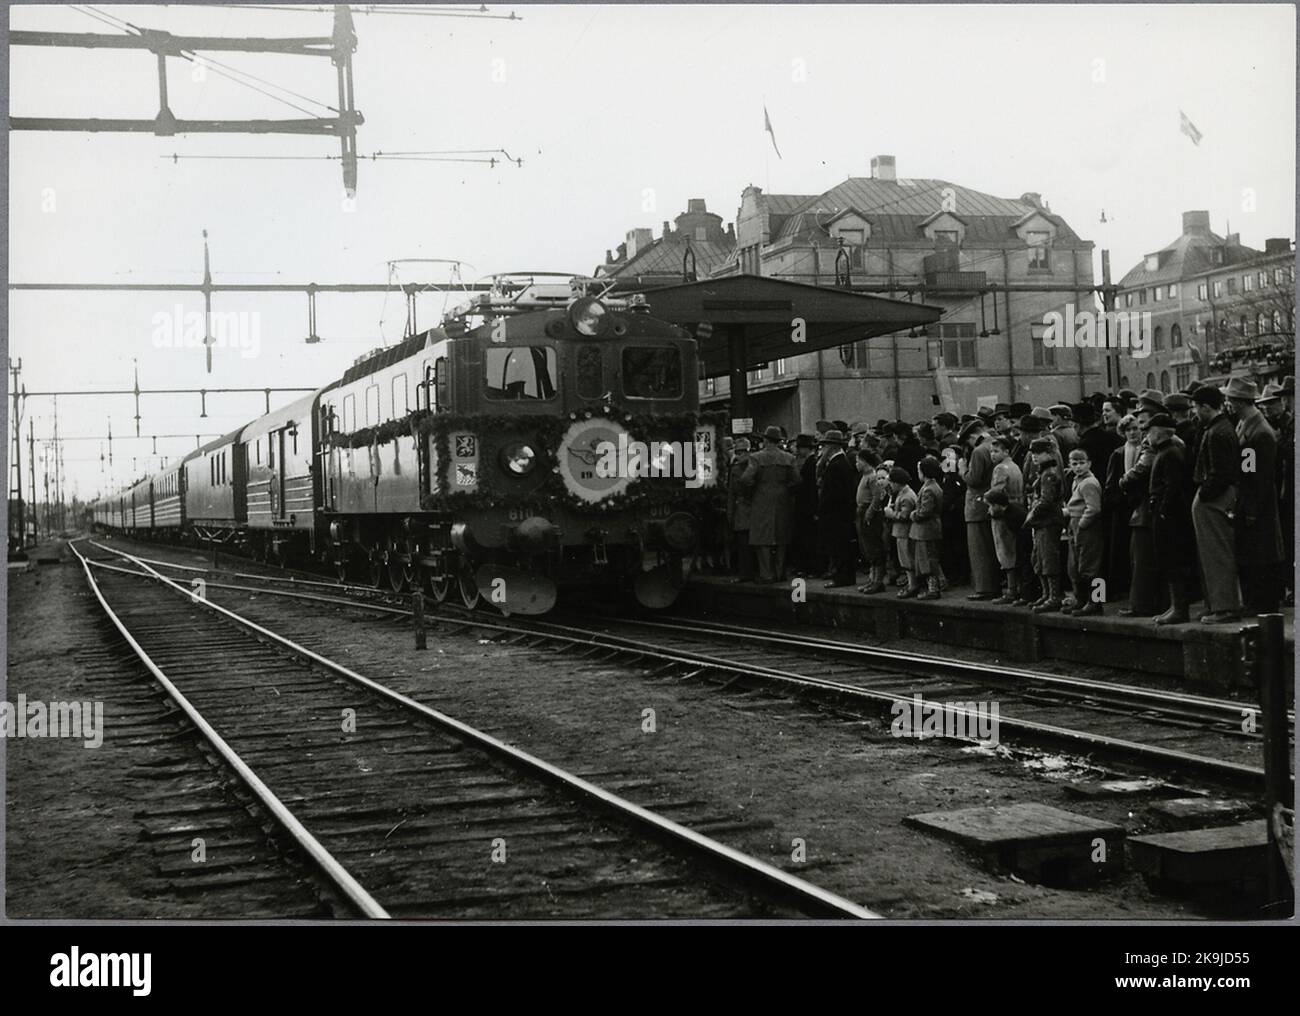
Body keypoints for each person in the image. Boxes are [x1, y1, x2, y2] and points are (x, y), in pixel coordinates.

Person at [1227, 378, 1285, 614]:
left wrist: (1250, 509)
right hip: (1251, 499)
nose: (1228, 404)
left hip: (1257, 503)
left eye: (1230, 399)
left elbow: (1257, 477)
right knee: (1253, 553)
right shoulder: (1246, 425)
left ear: (1240, 402)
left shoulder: (1257, 432)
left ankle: (1261, 604)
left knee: (1260, 553)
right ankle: (1255, 602)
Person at [1189, 385, 1241, 623]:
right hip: (1215, 498)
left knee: (1216, 554)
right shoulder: (1220, 427)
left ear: (1206, 407)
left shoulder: (1217, 431)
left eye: (1196, 407)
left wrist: (1205, 495)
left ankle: (1225, 607)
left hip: (1215, 500)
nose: (1195, 412)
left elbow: (1221, 473)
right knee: (1214, 553)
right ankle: (1219, 605)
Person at [1145, 414, 1195, 625]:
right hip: (1166, 513)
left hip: (1169, 517)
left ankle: (1179, 608)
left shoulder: (1170, 453)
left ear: (1159, 431)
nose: (1147, 435)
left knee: (1172, 559)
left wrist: (1163, 511)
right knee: (1167, 559)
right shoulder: (1167, 451)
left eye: (1149, 431)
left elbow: (1172, 487)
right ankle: (1175, 606)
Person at [741, 426, 799, 583]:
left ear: (765, 440)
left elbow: (746, 479)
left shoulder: (756, 458)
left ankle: (766, 574)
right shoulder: (789, 458)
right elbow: (796, 480)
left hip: (761, 499)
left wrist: (755, 488)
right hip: (783, 500)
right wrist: (785, 489)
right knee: (781, 537)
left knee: (762, 539)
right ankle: (780, 573)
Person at [1103, 414, 1141, 603]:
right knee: (1121, 548)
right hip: (1122, 508)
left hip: (1139, 505)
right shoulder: (1118, 454)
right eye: (1128, 430)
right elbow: (1110, 485)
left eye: (1135, 428)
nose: (1133, 433)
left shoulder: (1146, 451)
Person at [961, 419, 1000, 600]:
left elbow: (974, 479)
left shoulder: (978, 451)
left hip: (976, 505)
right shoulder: (995, 444)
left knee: (979, 549)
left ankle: (984, 588)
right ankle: (994, 585)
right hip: (990, 501)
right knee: (991, 547)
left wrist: (962, 470)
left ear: (972, 436)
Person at [1062, 447, 1104, 616]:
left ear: (1089, 464)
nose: (1078, 467)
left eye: (1082, 463)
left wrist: (1082, 524)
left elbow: (1093, 508)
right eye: (1074, 463)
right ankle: (1081, 600)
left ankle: (1096, 602)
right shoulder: (1077, 480)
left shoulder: (1089, 483)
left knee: (1091, 566)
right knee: (1075, 566)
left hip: (1086, 526)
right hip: (1075, 523)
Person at [1026, 437, 1066, 612]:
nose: (1034, 456)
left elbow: (1047, 500)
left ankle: (1054, 596)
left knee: (1048, 558)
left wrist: (1032, 514)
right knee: (1039, 558)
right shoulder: (1044, 472)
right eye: (1033, 453)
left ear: (1048, 453)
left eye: (1038, 453)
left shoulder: (1049, 474)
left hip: (1047, 521)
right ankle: (1046, 593)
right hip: (1042, 521)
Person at [816, 430, 858, 587]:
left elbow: (833, 493)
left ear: (831, 447)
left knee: (839, 546)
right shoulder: (842, 463)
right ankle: (844, 576)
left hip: (836, 514)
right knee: (842, 546)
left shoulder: (836, 465)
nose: (822, 450)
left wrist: (822, 509)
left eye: (824, 446)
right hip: (842, 514)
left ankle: (842, 578)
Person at [987, 436, 1025, 603]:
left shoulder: (1000, 469)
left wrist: (987, 502)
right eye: (991, 451)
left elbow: (996, 492)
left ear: (1006, 451)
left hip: (1002, 512)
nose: (992, 455)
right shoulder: (1015, 466)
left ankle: (1011, 590)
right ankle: (1017, 588)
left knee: (1005, 550)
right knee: (1014, 548)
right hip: (1017, 508)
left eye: (996, 451)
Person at [911, 457, 945, 599]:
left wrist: (914, 515)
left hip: (926, 529)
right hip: (929, 528)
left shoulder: (928, 489)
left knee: (928, 559)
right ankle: (933, 586)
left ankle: (933, 588)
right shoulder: (934, 486)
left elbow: (925, 511)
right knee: (928, 558)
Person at [883, 466, 919, 597]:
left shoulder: (906, 496)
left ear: (896, 482)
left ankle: (913, 585)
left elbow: (904, 516)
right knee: (905, 559)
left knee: (907, 560)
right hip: (901, 532)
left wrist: (891, 513)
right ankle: (911, 584)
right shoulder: (903, 494)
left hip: (904, 532)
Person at [855, 449, 888, 593]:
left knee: (874, 547)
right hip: (861, 510)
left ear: (864, 461)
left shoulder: (872, 477)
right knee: (867, 548)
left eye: (858, 461)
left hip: (869, 513)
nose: (856, 464)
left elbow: (877, 496)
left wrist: (870, 512)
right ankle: (872, 579)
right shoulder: (865, 476)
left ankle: (878, 581)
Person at [790, 434, 823, 577]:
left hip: (806, 507)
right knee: (809, 538)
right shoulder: (812, 462)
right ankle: (809, 567)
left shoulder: (810, 464)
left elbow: (808, 488)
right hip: (808, 507)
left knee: (808, 539)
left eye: (799, 447)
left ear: (805, 449)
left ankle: (811, 568)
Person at [726, 438, 754, 581]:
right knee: (745, 545)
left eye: (743, 451)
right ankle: (748, 573)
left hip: (747, 510)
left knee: (747, 545)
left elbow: (732, 493)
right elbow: (731, 493)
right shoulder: (739, 469)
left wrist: (730, 513)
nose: (741, 455)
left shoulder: (740, 469)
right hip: (747, 510)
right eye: (739, 452)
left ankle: (747, 573)